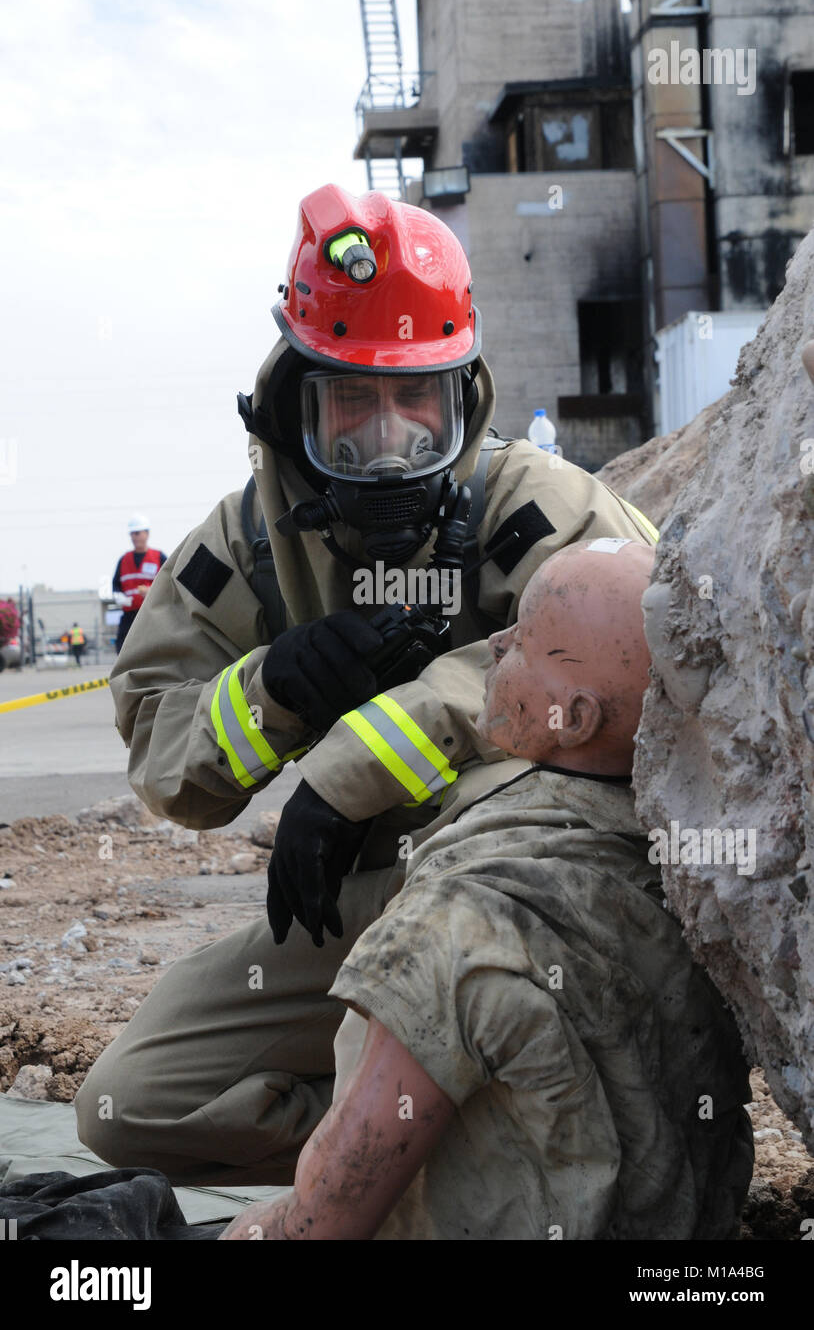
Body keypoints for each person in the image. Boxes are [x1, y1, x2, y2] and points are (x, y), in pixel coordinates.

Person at [75, 184, 658, 1180]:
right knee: (129, 1104)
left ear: (461, 398)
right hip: (372, 904)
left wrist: (350, 764)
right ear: (294, 399)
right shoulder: (246, 545)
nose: (387, 440)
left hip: (537, 896)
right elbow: (165, 760)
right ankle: (411, 1154)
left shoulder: (540, 509)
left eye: (415, 405)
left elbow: (644, 660)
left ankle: (475, 1128)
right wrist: (271, 688)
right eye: (351, 404)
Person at [217, 540, 753, 1240]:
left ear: (578, 719)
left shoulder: (460, 918)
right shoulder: (690, 869)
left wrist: (248, 1229)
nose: (495, 644)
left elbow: (320, 1225)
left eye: (525, 641)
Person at [112, 515, 166, 654]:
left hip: (150, 613)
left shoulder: (158, 557)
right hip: (129, 614)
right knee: (123, 647)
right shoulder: (124, 560)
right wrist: (119, 597)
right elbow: (116, 584)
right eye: (132, 534)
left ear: (146, 534)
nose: (134, 537)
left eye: (137, 533)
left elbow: (169, 582)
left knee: (152, 648)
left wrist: (152, 591)